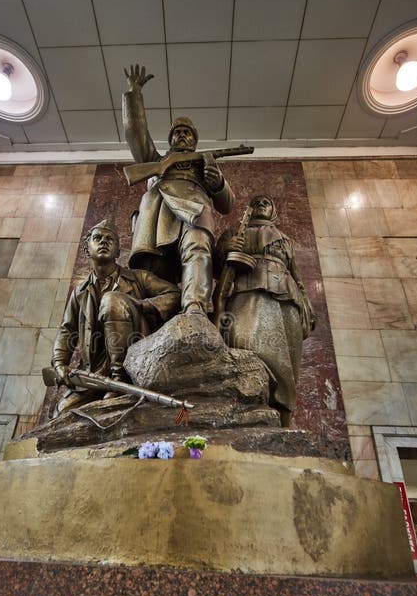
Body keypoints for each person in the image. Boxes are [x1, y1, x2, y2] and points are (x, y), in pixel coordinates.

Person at [122, 64, 235, 315]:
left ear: (195, 141)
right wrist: (134, 93)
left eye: (187, 134)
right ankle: (150, 318)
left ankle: (194, 308)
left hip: (195, 212)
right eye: (177, 133)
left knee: (199, 250)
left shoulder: (206, 163)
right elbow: (135, 133)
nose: (182, 137)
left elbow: (228, 205)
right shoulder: (156, 160)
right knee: (155, 271)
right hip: (159, 215)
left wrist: (216, 183)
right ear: (171, 139)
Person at [51, 219, 180, 416]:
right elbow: (67, 330)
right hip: (94, 372)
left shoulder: (139, 278)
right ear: (87, 250)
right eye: (98, 238)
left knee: (112, 300)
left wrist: (144, 305)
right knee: (62, 412)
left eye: (110, 239)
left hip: (132, 363)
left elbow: (174, 295)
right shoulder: (80, 291)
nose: (104, 242)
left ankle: (120, 381)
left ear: (119, 252)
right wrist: (60, 364)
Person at [214, 194, 315, 427]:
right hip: (245, 294)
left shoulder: (285, 239)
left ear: (273, 211)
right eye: (256, 202)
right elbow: (215, 267)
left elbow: (297, 275)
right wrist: (225, 249)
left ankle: (282, 415)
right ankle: (245, 407)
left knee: (287, 358)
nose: (261, 205)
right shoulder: (234, 232)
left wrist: (306, 305)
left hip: (286, 298)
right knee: (246, 345)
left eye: (266, 202)